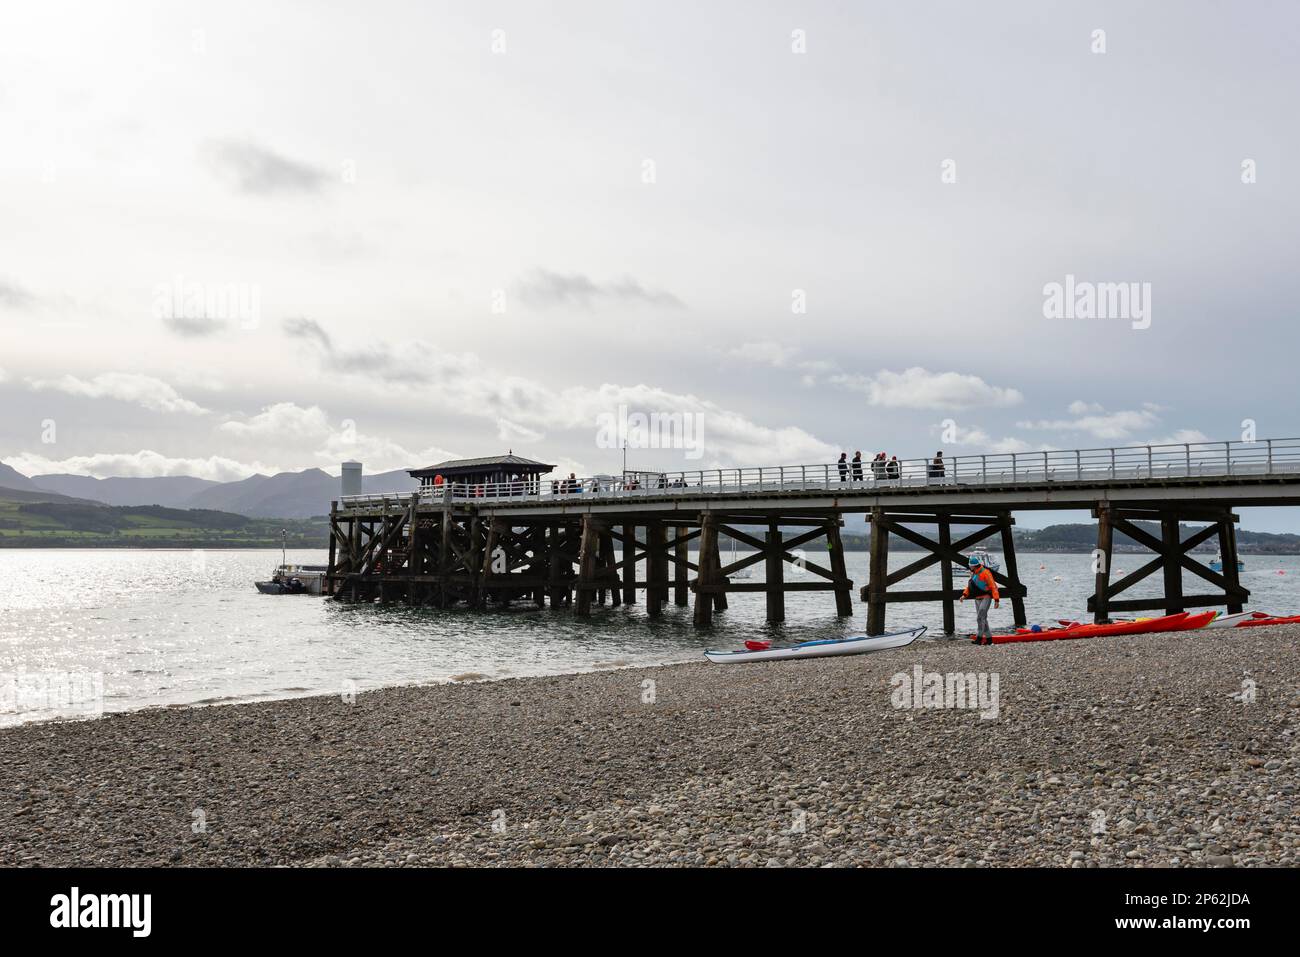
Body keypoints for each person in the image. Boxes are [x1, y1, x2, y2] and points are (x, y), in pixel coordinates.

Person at [961, 555, 1000, 645]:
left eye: (970, 565)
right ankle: (989, 640)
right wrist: (964, 595)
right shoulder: (974, 573)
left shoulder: (986, 573)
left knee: (979, 618)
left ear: (974, 566)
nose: (969, 567)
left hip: (986, 598)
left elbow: (993, 586)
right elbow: (970, 586)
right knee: (983, 619)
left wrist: (996, 600)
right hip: (977, 599)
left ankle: (979, 638)